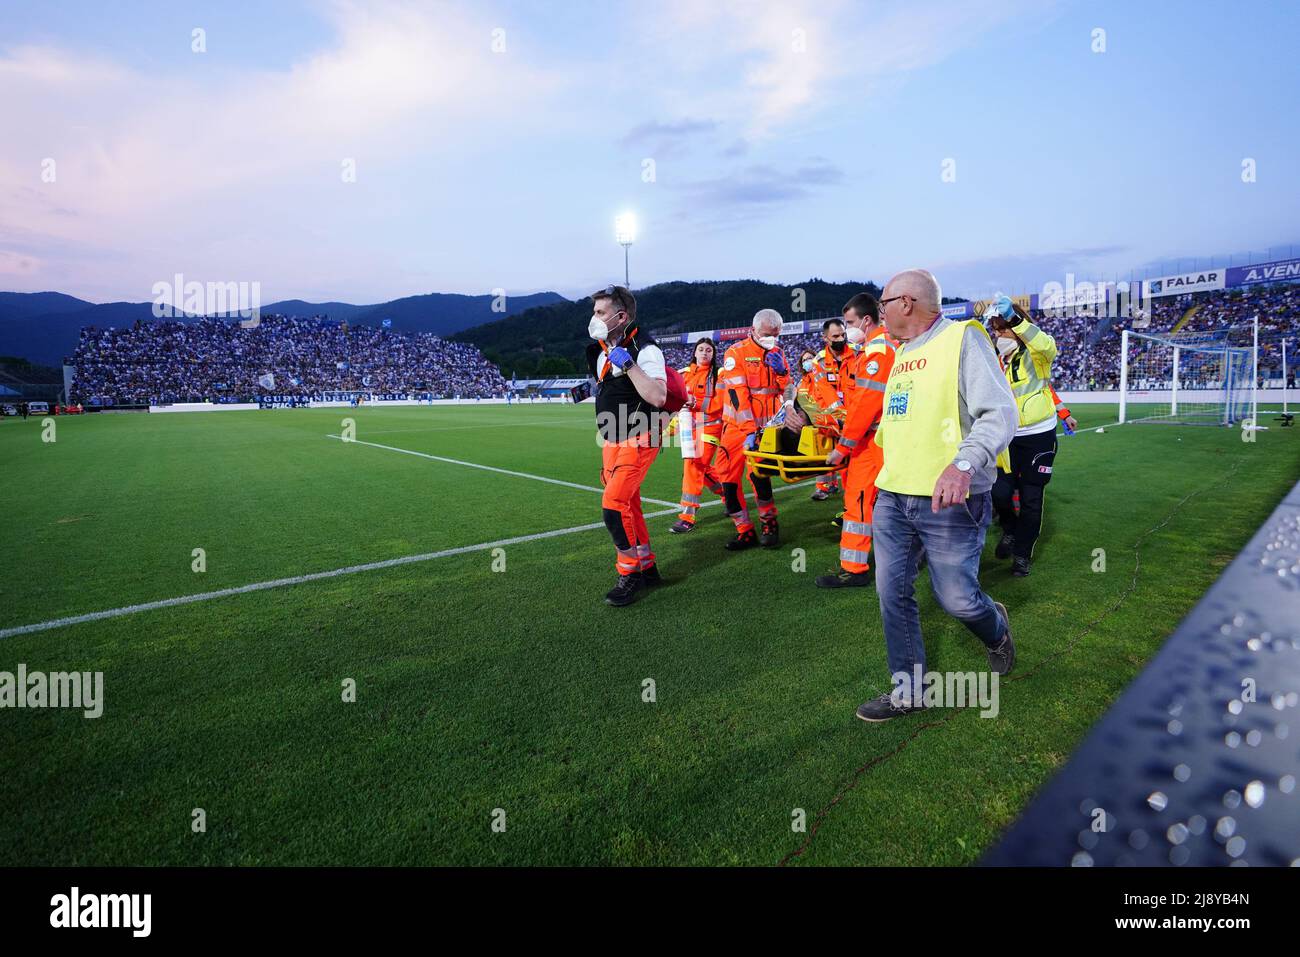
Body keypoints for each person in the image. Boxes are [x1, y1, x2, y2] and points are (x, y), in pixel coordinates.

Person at [856, 269, 1018, 722]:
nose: (879, 312)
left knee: (957, 598)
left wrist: (964, 463)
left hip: (949, 499)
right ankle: (908, 690)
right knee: (892, 593)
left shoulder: (963, 339)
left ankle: (996, 628)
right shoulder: (901, 354)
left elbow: (1000, 414)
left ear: (907, 303)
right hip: (893, 496)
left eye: (884, 303)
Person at [585, 285, 668, 606]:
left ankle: (630, 573)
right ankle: (647, 567)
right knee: (629, 504)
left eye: (600, 313)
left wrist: (630, 365)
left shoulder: (645, 350)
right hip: (612, 436)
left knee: (613, 505)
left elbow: (658, 397)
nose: (594, 318)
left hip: (641, 434)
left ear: (620, 317)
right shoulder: (602, 349)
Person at [816, 293, 897, 588]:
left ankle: (858, 567)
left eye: (849, 322)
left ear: (865, 320)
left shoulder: (878, 352)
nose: (847, 329)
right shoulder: (873, 349)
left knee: (881, 500)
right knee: (860, 500)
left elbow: (866, 403)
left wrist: (843, 446)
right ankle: (855, 566)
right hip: (872, 438)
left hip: (877, 438)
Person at [985, 296, 1059, 577]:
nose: (999, 335)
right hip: (1007, 436)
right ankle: (1010, 529)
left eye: (1003, 329)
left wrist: (1016, 322)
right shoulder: (996, 361)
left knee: (1031, 498)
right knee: (999, 492)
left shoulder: (1036, 354)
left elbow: (1046, 344)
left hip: (1038, 435)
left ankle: (1022, 555)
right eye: (996, 330)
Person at [716, 309, 791, 550]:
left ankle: (769, 523)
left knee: (760, 478)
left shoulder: (778, 353)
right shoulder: (735, 353)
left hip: (766, 430)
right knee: (728, 481)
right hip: (738, 430)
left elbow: (787, 391)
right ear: (754, 330)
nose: (772, 339)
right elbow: (738, 397)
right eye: (768, 334)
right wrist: (749, 430)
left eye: (776, 335)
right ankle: (744, 529)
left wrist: (783, 373)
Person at [669, 338, 726, 533]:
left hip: (710, 427)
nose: (704, 353)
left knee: (693, 465)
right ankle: (729, 495)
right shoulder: (683, 375)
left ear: (713, 354)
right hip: (687, 428)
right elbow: (674, 401)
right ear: (694, 352)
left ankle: (687, 516)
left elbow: (719, 404)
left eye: (708, 350)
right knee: (702, 467)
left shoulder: (719, 375)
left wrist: (694, 404)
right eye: (701, 349)